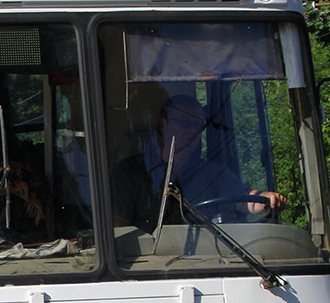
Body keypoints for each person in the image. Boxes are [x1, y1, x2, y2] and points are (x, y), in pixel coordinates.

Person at [115, 94, 286, 226]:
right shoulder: (129, 173)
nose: (192, 131)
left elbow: (243, 200)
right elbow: (119, 229)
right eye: (184, 123)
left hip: (206, 263)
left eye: (197, 125)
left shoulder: (212, 174)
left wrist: (266, 199)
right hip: (150, 267)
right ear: (163, 124)